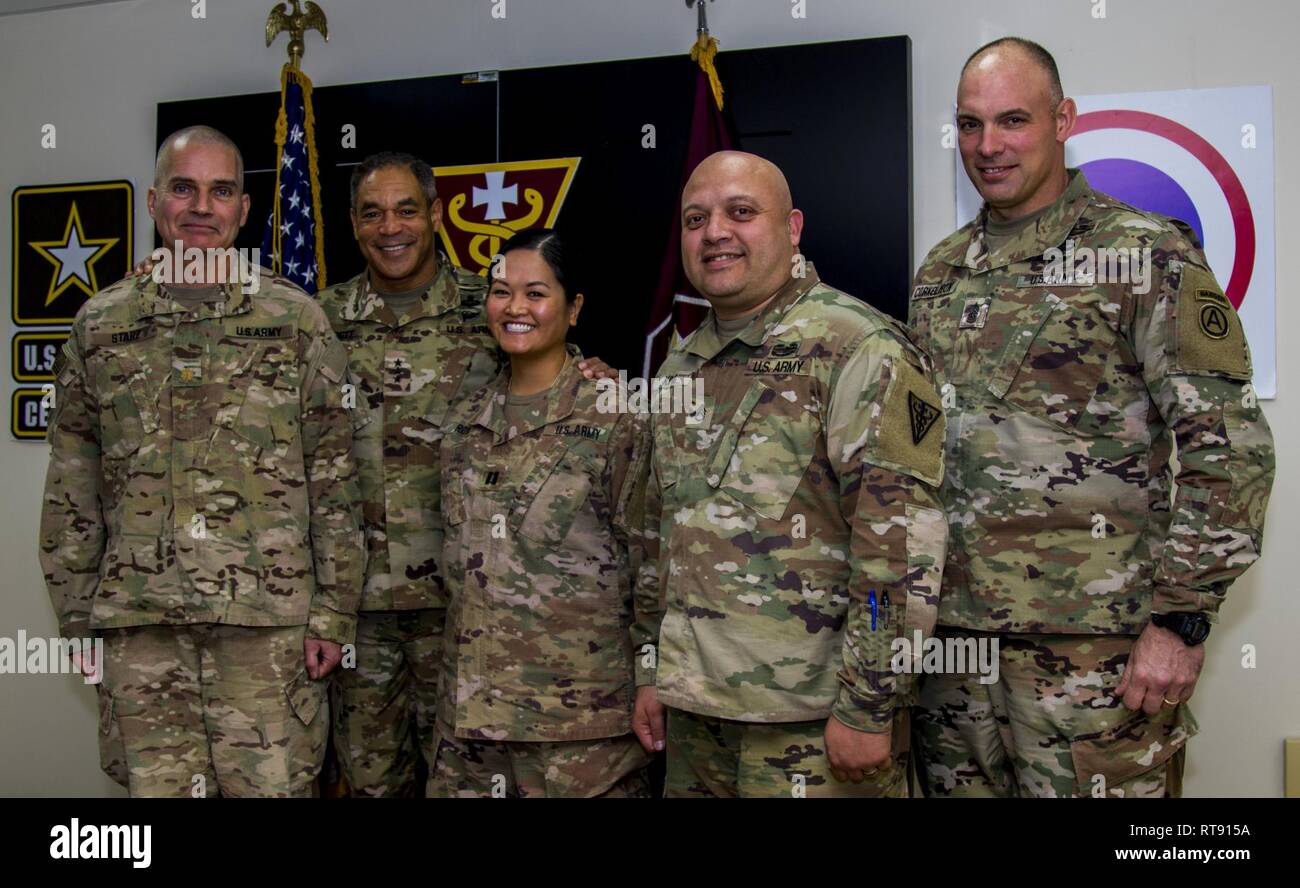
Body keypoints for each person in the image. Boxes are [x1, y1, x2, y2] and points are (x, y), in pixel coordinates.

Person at [908, 37, 1276, 797]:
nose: (988, 145)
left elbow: (1228, 448)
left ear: (1063, 119)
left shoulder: (1142, 253)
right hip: (953, 660)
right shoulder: (940, 273)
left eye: (1012, 120)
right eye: (970, 125)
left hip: (1097, 658)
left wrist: (1181, 622)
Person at [39, 125, 362, 797]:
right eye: (184, 188)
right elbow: (72, 486)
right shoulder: (100, 325)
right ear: (155, 202)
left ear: (245, 210)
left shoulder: (294, 320)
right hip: (140, 629)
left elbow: (335, 475)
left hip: (268, 628)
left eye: (221, 191)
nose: (201, 207)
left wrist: (333, 615)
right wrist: (76, 619)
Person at [631, 150, 948, 797]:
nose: (714, 231)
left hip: (813, 726)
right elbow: (657, 536)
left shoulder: (858, 346)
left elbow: (900, 550)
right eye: (696, 219)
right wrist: (651, 669)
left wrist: (866, 705)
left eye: (740, 212)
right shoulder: (680, 366)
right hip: (697, 719)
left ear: (792, 227)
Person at [316, 153, 615, 796]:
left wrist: (600, 377)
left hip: (469, 612)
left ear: (436, 214)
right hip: (357, 605)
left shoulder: (494, 304)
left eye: (405, 209)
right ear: (353, 224)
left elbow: (555, 371)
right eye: (372, 212)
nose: (390, 227)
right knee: (369, 781)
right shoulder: (320, 321)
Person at [427, 228, 652, 797]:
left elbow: (654, 564)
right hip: (470, 731)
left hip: (579, 732)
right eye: (501, 293)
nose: (515, 308)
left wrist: (653, 680)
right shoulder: (464, 423)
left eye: (536, 293)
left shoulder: (615, 418)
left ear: (574, 308)